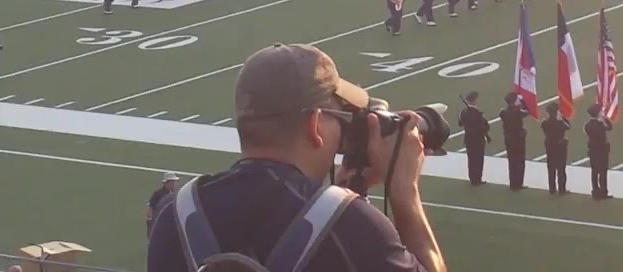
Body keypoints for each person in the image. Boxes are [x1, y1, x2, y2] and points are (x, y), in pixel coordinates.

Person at [147, 43, 447, 272]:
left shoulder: (175, 216)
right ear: (315, 125)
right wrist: (405, 194)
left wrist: (347, 192)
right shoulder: (352, 225)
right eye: (339, 119)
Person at [457, 91, 490, 186]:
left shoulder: (464, 112)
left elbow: (460, 123)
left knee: (471, 160)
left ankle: (473, 179)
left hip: (468, 139)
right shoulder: (475, 112)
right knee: (478, 160)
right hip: (478, 139)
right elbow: (484, 125)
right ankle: (477, 179)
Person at [499, 92, 528, 191]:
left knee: (512, 161)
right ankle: (518, 183)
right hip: (518, 139)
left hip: (508, 139)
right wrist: (522, 100)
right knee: (519, 161)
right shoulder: (518, 111)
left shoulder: (503, 112)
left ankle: (513, 183)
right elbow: (527, 111)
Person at [540, 102, 569, 194]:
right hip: (560, 147)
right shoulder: (559, 123)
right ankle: (561, 189)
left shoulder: (545, 122)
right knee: (561, 168)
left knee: (551, 168)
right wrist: (561, 119)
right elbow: (568, 126)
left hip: (549, 146)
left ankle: (552, 188)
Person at [584, 105, 611, 199]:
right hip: (601, 151)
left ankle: (595, 191)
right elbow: (609, 127)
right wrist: (604, 119)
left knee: (594, 171)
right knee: (603, 171)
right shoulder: (599, 125)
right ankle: (603, 191)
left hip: (593, 151)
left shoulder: (588, 124)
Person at [146, 172, 179, 236]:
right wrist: (150, 222)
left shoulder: (174, 194)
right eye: (172, 182)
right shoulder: (158, 194)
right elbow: (150, 209)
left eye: (174, 182)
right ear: (167, 183)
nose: (174, 184)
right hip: (159, 223)